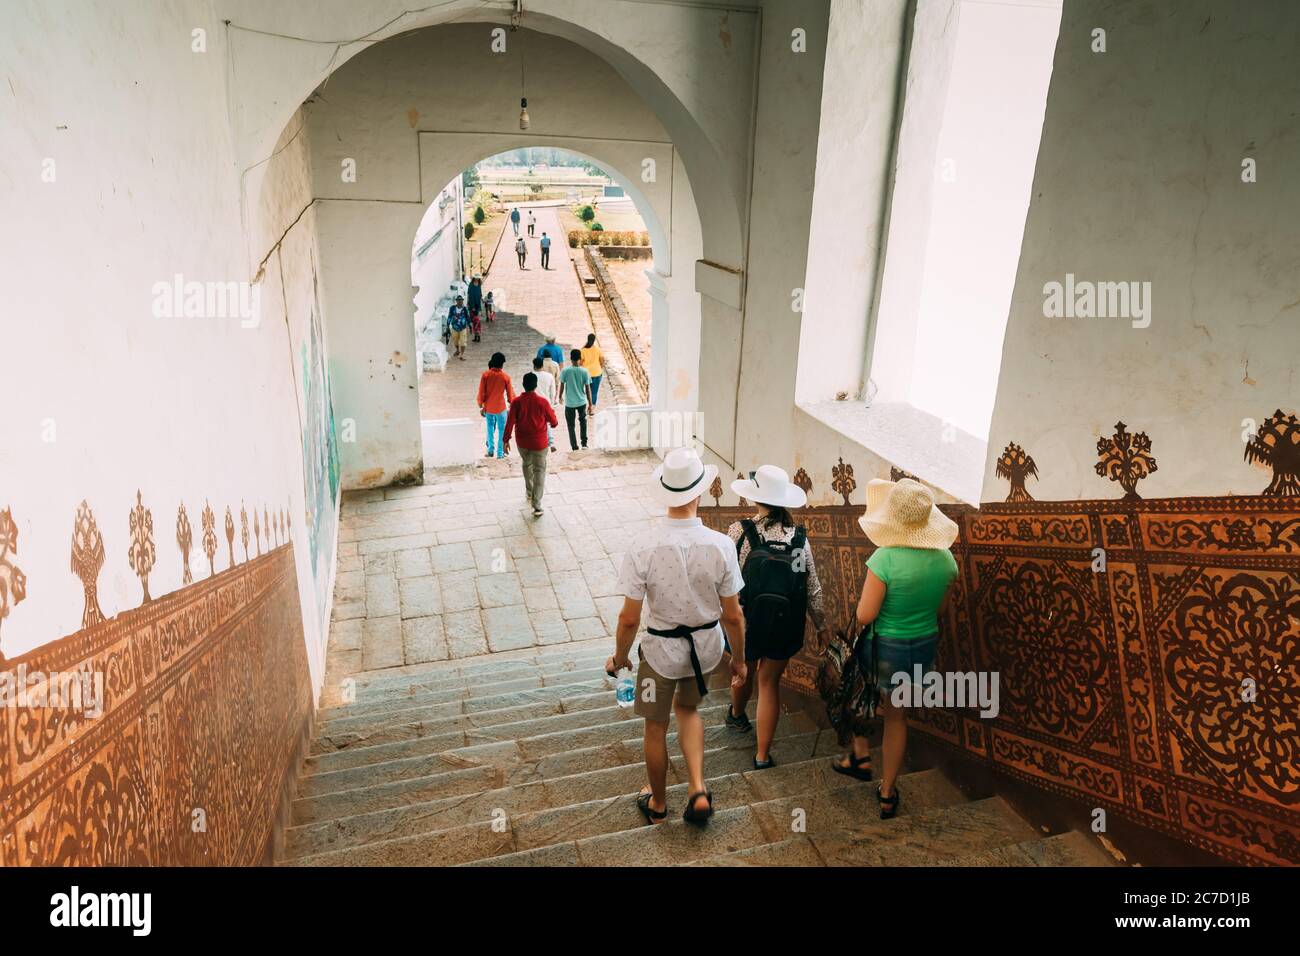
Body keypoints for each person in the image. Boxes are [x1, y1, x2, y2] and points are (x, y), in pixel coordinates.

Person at [606, 447, 747, 826]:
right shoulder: (721, 545)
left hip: (659, 654)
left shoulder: (642, 546)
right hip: (704, 651)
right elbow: (733, 615)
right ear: (698, 493)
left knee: (655, 725)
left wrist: (620, 659)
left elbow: (629, 618)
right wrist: (739, 660)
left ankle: (657, 804)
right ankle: (698, 789)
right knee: (689, 711)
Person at [833, 478, 958, 820]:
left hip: (884, 648)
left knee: (856, 694)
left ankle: (859, 756)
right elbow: (940, 610)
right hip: (922, 647)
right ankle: (888, 792)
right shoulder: (947, 560)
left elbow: (865, 615)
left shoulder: (884, 559)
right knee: (898, 718)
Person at [725, 466, 829, 769]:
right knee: (769, 683)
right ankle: (761, 756)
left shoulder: (740, 532)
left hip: (748, 622)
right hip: (785, 624)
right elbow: (811, 586)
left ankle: (737, 715)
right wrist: (821, 625)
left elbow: (726, 579)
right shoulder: (798, 539)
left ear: (756, 497)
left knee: (744, 667)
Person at [504, 372, 559, 516]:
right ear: (535, 386)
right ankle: (537, 504)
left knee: (526, 463)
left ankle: (529, 491)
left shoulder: (516, 402)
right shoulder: (542, 402)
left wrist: (505, 440)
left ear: (523, 385)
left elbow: (509, 422)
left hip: (522, 442)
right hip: (540, 443)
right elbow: (554, 422)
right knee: (539, 470)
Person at [477, 351, 515, 459]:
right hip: (501, 407)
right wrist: (512, 404)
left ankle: (490, 450)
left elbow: (481, 392)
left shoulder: (485, 375)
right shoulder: (505, 377)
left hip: (489, 408)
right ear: (502, 364)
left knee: (489, 427)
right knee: (502, 430)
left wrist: (481, 404)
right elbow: (510, 395)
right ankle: (500, 453)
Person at [558, 349, 592, 451]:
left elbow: (562, 385)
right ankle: (584, 444)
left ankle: (574, 446)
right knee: (583, 422)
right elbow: (587, 388)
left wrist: (560, 397)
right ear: (580, 358)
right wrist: (590, 404)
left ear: (571, 359)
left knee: (571, 425)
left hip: (570, 403)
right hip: (582, 401)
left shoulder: (565, 371)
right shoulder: (585, 371)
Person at [529, 355, 558, 451]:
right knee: (547, 423)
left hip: (533, 403)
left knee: (534, 423)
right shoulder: (549, 376)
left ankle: (536, 442)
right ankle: (551, 442)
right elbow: (553, 392)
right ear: (542, 365)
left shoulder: (530, 376)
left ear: (534, 366)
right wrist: (552, 404)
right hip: (546, 402)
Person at [580, 333, 604, 406]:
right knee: (594, 391)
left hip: (587, 373)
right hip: (597, 372)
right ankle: (592, 406)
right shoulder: (598, 349)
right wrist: (601, 368)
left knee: (588, 390)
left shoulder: (583, 350)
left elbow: (580, 362)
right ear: (594, 340)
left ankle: (589, 404)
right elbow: (602, 360)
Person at [447, 295, 471, 360]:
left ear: (463, 301)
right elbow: (449, 316)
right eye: (459, 300)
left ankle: (461, 354)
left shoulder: (465, 309)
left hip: (462, 328)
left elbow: (467, 317)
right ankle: (457, 350)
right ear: (456, 301)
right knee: (455, 341)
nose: (460, 302)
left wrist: (470, 325)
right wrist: (447, 324)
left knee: (463, 341)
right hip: (454, 327)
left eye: (461, 301)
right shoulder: (452, 308)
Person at [467, 275, 484, 342]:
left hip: (478, 305)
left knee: (477, 321)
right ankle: (476, 336)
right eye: (476, 278)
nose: (477, 279)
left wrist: (482, 300)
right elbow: (469, 295)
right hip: (472, 305)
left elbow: (480, 294)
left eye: (478, 278)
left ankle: (478, 336)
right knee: (474, 321)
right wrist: (471, 305)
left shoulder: (479, 285)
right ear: (474, 278)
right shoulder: (471, 285)